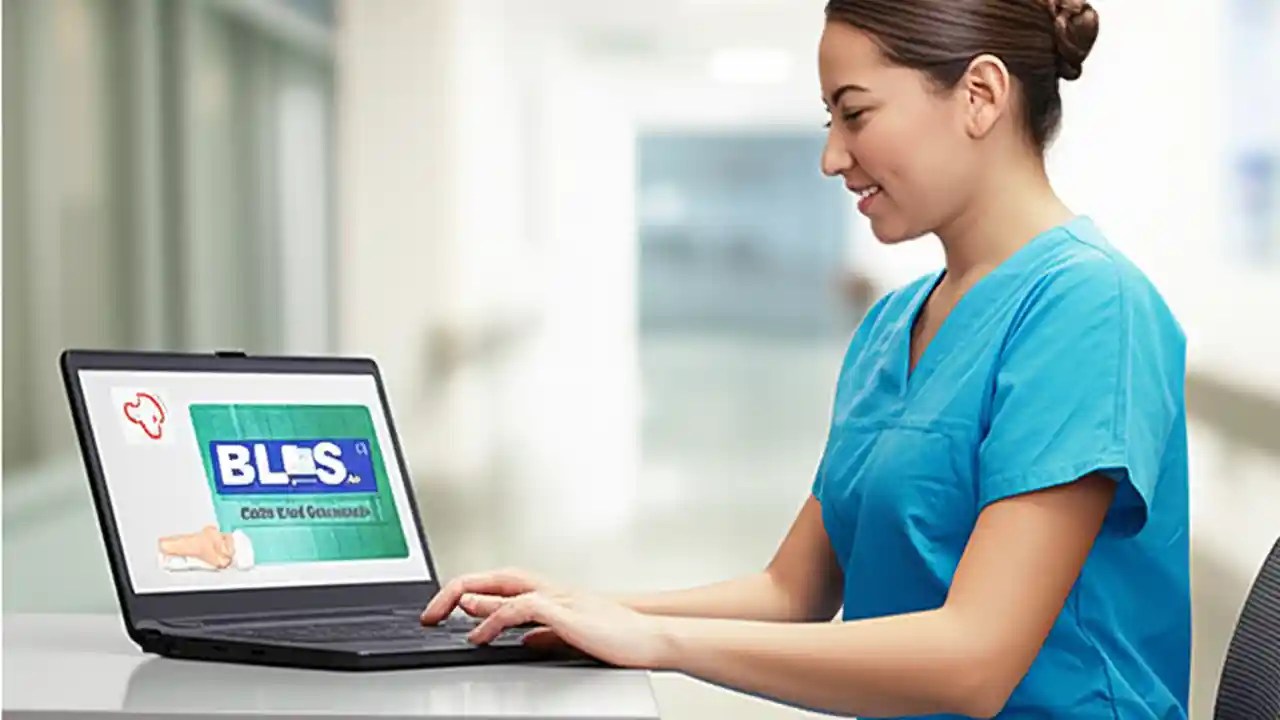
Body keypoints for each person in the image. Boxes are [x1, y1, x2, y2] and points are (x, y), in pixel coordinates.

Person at [420, 1, 1191, 717]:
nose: (832, 157)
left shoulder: (1092, 307)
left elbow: (974, 659)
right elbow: (793, 590)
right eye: (831, 120)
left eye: (855, 114)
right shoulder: (894, 322)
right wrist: (593, 608)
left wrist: (659, 644)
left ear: (981, 95)